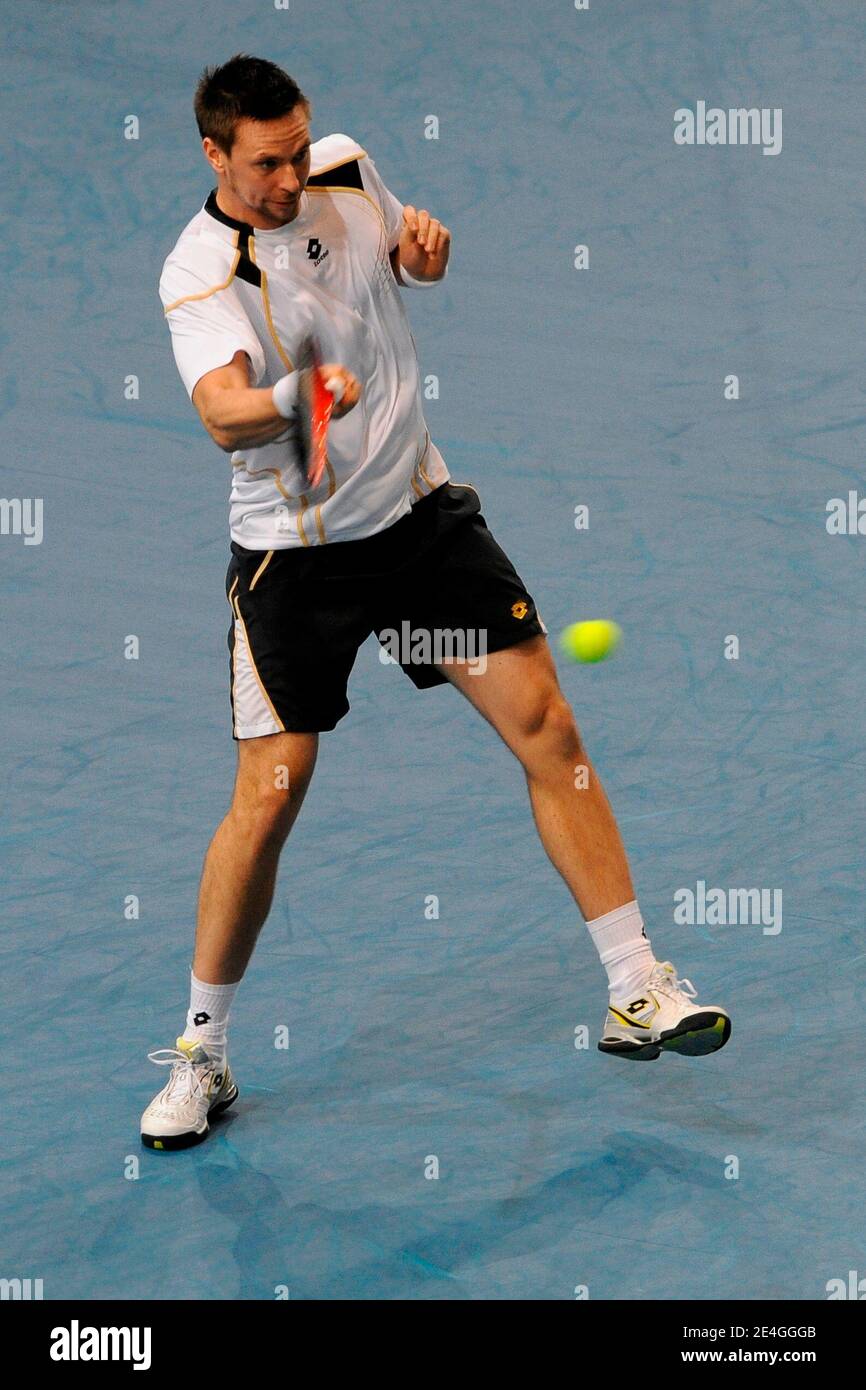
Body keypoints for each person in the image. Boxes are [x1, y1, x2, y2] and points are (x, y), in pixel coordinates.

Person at [141, 54, 730, 1151]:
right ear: (213, 153)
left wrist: (423, 257)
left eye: (296, 146)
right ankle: (202, 1052)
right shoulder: (197, 273)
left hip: (418, 537)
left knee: (547, 724)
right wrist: (294, 397)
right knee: (269, 796)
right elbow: (225, 413)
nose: (288, 175)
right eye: (264, 161)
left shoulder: (347, 172)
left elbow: (395, 267)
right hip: (298, 564)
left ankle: (635, 983)